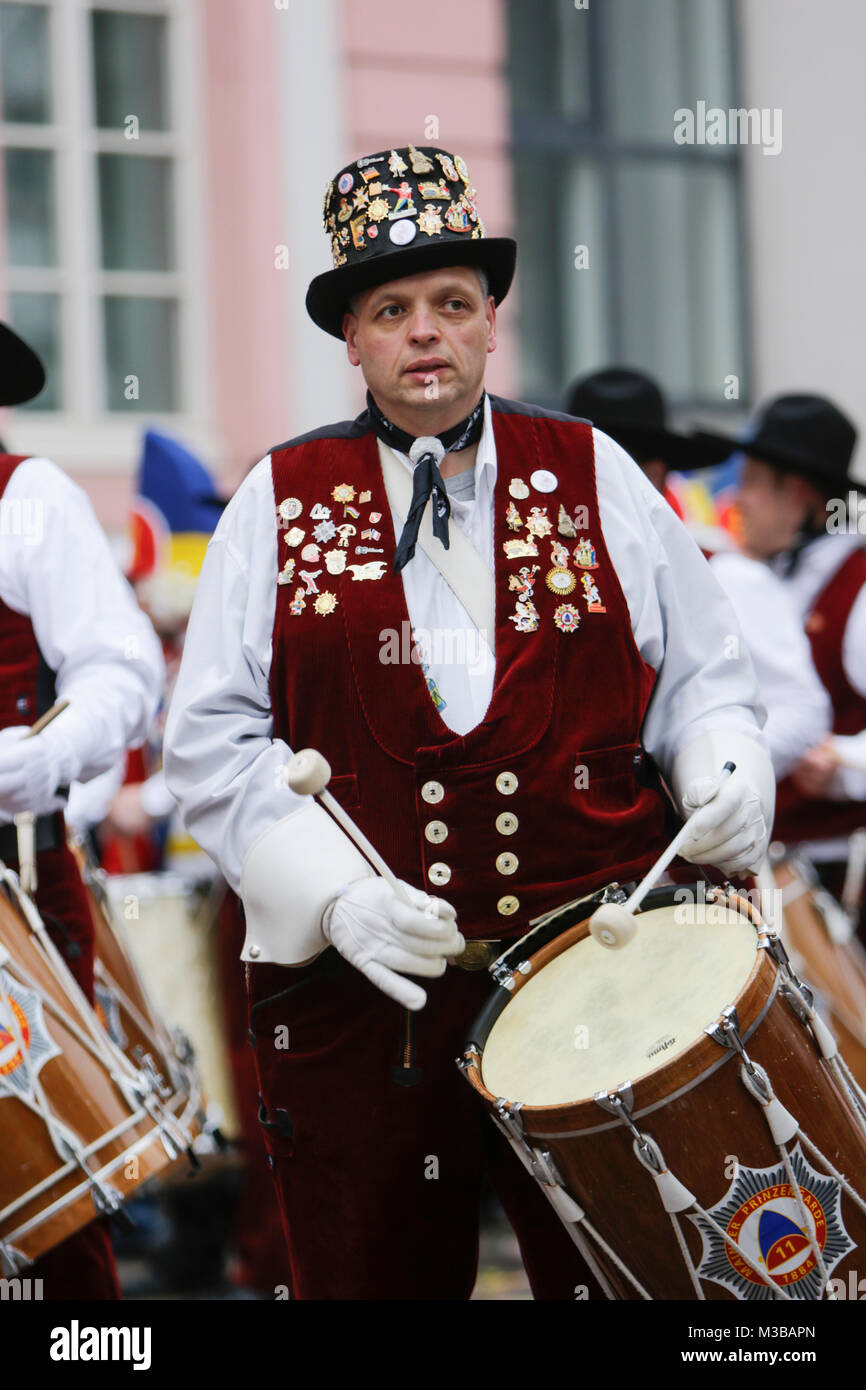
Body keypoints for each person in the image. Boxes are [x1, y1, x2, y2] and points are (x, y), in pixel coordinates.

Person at [164, 146, 774, 1301]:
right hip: (367, 1012)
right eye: (391, 309)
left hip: (599, 988)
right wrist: (333, 891)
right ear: (351, 338)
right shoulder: (275, 501)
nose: (425, 331)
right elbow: (209, 742)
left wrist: (723, 764)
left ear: (492, 318)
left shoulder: (592, 470)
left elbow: (702, 675)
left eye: (451, 302)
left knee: (637, 1278)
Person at [0, 322, 164, 1297]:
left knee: (44, 1189)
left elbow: (122, 670)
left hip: (13, 884)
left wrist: (33, 755)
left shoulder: (31, 498)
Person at [565, 368, 832, 778]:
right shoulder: (541, 570)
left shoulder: (727, 573)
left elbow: (799, 707)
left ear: (651, 475)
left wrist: (717, 775)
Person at [696, 394, 866, 907]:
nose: (736, 500)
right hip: (777, 869)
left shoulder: (859, 589)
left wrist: (844, 764)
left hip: (843, 878)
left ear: (797, 495)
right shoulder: (760, 575)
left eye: (748, 482)